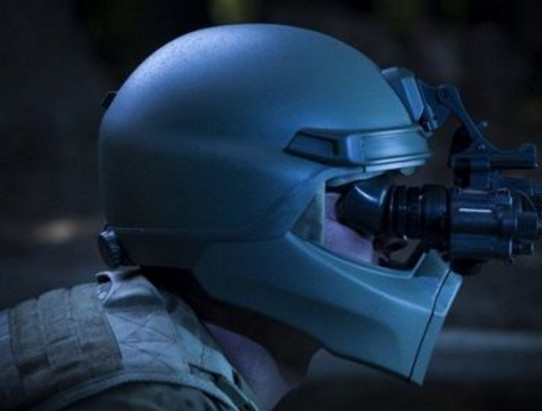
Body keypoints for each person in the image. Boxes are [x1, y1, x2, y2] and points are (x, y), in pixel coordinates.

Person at [1, 23, 490, 410]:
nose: (390, 238)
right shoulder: (153, 399)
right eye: (365, 203)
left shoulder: (126, 334)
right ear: (240, 200)